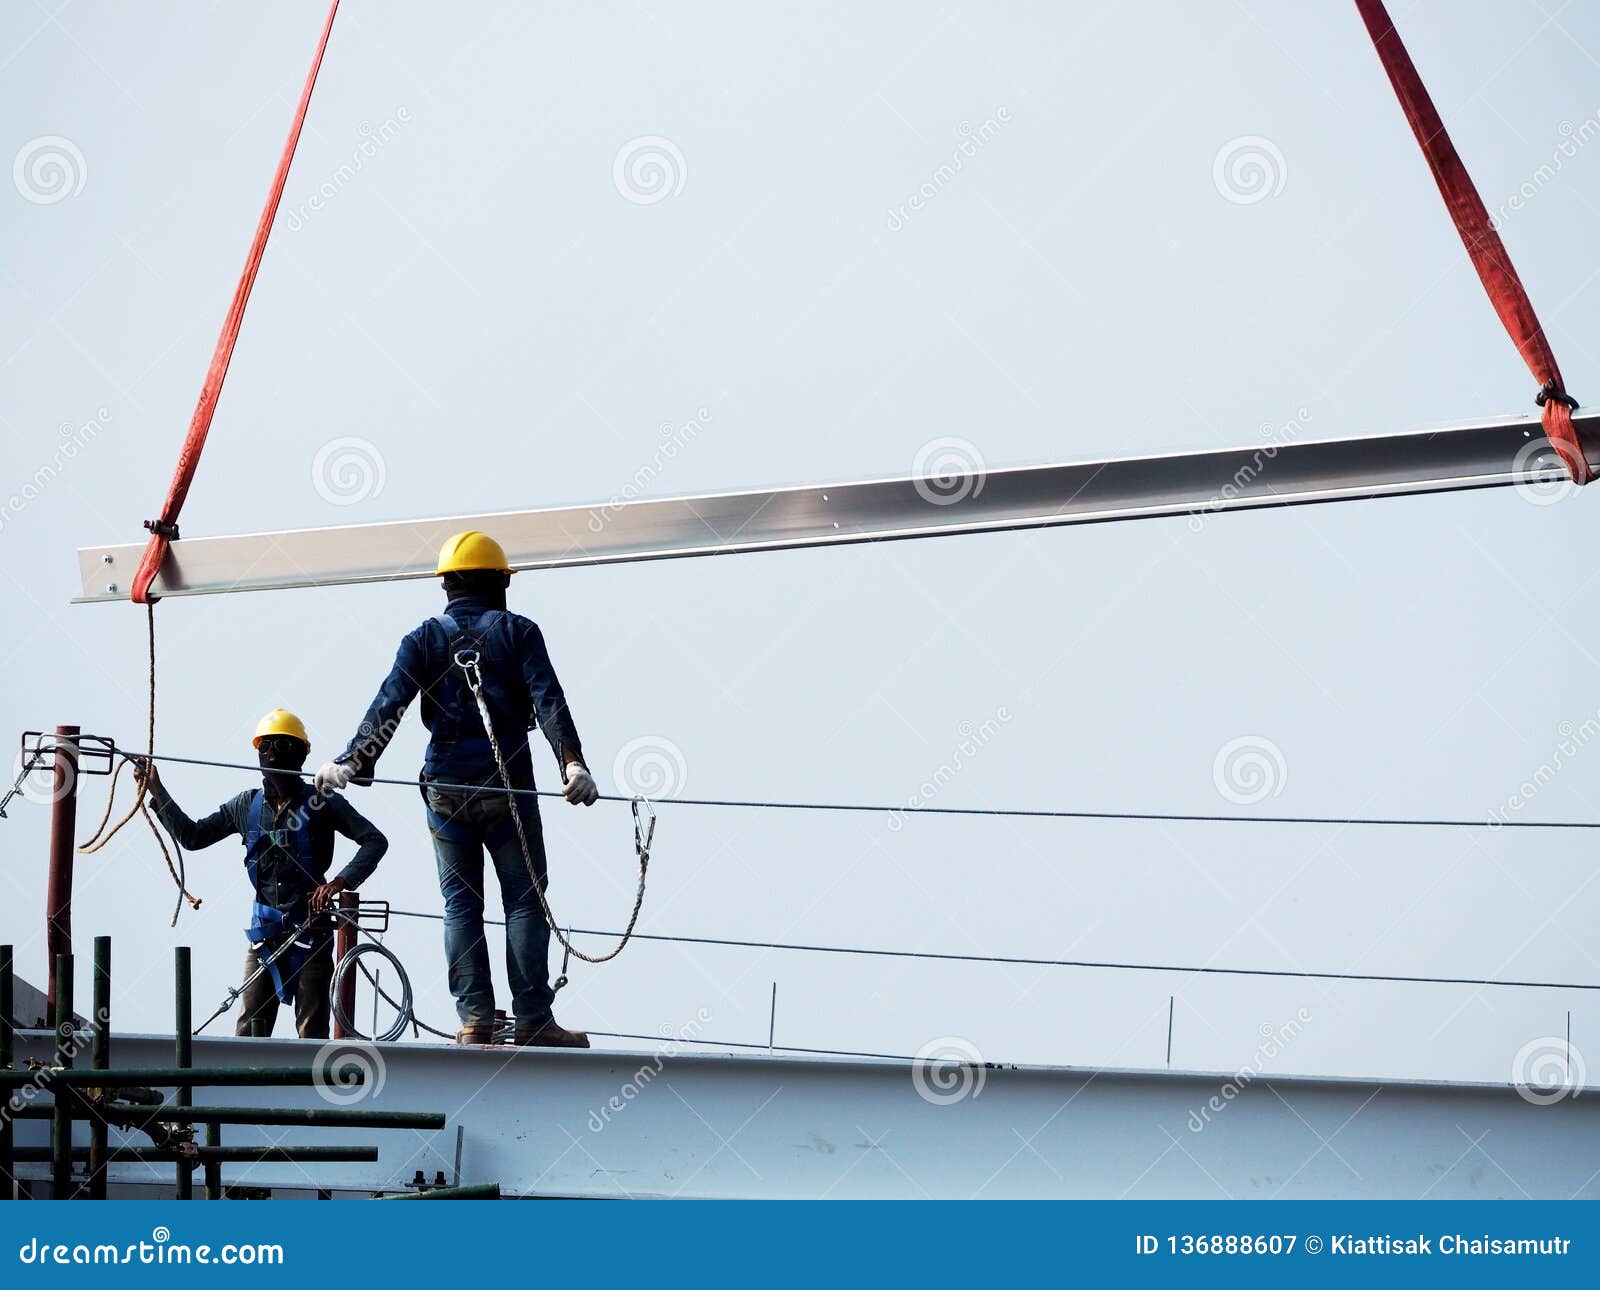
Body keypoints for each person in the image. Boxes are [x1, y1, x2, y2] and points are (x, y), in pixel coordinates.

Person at [314, 530, 599, 1048]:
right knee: (524, 901)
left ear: (447, 585)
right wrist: (572, 764)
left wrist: (352, 761)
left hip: (446, 792)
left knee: (460, 905)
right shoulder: (519, 633)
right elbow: (548, 699)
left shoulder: (423, 639)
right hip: (508, 791)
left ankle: (475, 1021)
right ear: (499, 583)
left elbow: (390, 704)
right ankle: (533, 1020)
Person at [136, 709, 388, 1039]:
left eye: (283, 746)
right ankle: (246, 1085)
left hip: (311, 934)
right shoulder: (246, 807)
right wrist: (157, 790)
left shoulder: (321, 802)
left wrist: (340, 883)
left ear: (301, 754)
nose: (273, 753)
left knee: (312, 1033)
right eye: (267, 746)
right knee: (248, 1033)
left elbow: (374, 841)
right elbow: (193, 836)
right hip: (264, 938)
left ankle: (306, 1090)